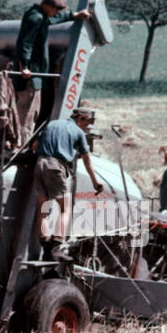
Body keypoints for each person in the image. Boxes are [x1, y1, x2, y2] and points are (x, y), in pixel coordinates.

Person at [12, 0, 92, 135]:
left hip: (35, 75)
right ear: (47, 6)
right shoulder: (35, 18)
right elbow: (25, 44)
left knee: (31, 114)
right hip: (30, 77)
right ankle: (19, 147)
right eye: (56, 10)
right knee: (26, 114)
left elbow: (52, 19)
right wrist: (24, 67)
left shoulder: (39, 14)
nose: (56, 13)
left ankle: (21, 144)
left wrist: (74, 15)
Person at [34, 105, 103, 260]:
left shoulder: (51, 124)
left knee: (43, 209)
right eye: (86, 123)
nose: (86, 127)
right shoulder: (78, 132)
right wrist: (95, 182)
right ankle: (56, 245)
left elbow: (34, 146)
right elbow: (87, 162)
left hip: (39, 164)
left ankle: (45, 246)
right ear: (81, 118)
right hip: (56, 166)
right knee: (64, 208)